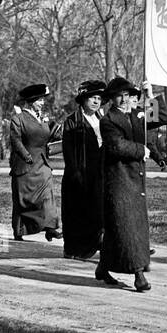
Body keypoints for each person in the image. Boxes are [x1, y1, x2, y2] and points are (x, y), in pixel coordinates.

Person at [97, 78, 167, 293]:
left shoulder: (138, 115)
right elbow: (116, 145)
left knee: (120, 226)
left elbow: (164, 118)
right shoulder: (108, 119)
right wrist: (141, 151)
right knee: (127, 226)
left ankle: (103, 267)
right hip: (118, 179)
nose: (124, 99)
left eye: (127, 95)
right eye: (119, 95)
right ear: (112, 98)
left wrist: (150, 94)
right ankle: (138, 273)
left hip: (136, 180)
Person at [8, 83, 63, 242]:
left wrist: (56, 133)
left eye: (42, 100)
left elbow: (47, 137)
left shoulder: (43, 118)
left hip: (43, 164)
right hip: (26, 165)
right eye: (39, 100)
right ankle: (19, 229)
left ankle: (51, 228)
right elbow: (16, 140)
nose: (42, 102)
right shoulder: (18, 119)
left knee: (47, 196)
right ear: (31, 101)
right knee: (23, 200)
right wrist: (26, 155)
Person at [60, 79, 106, 260]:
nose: (96, 101)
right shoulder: (73, 121)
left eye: (99, 98)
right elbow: (68, 151)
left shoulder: (101, 120)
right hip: (78, 174)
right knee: (76, 212)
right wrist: (75, 172)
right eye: (92, 98)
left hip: (97, 173)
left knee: (95, 210)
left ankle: (94, 244)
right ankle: (73, 248)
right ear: (83, 100)